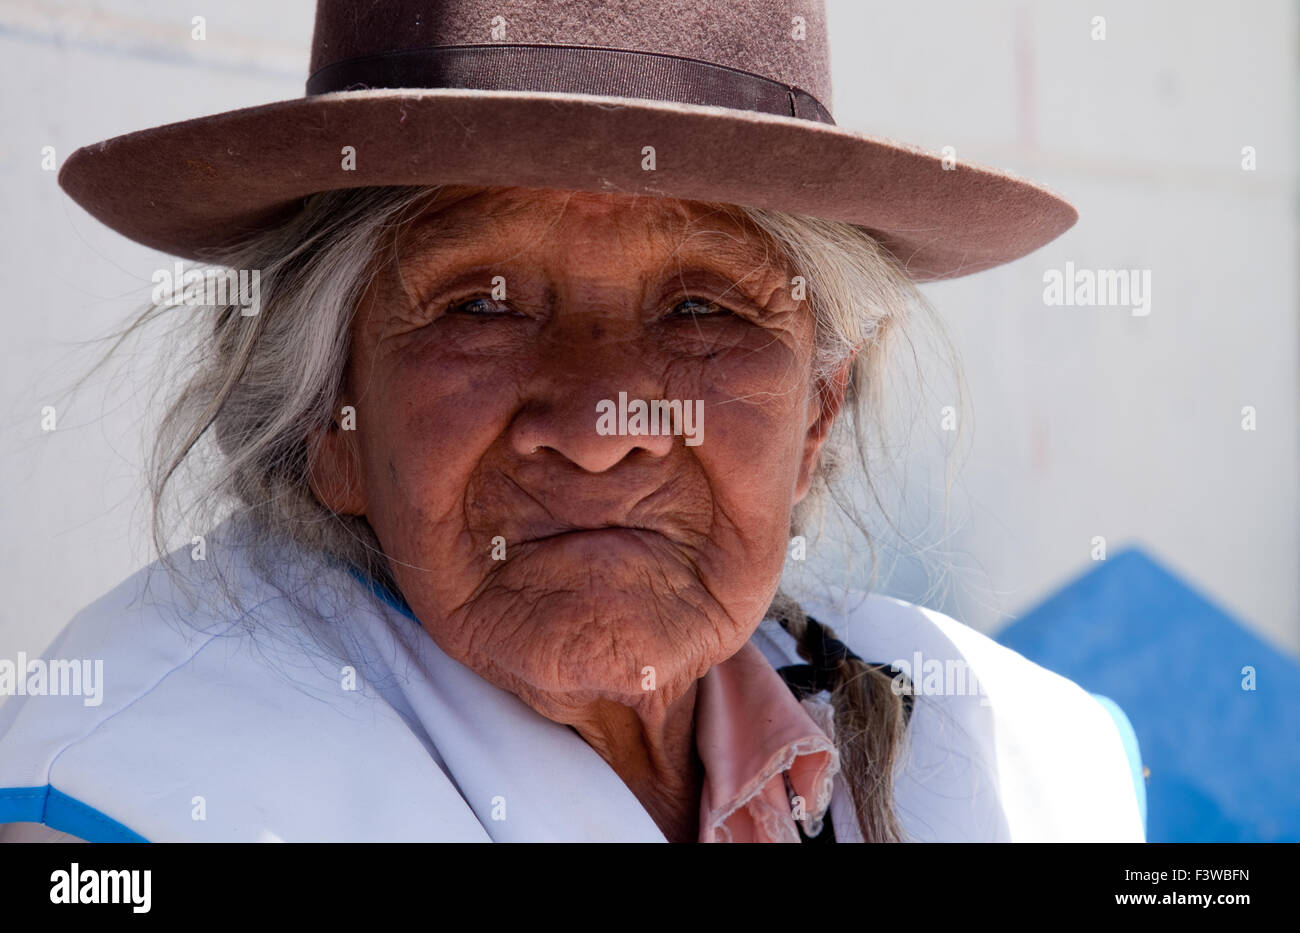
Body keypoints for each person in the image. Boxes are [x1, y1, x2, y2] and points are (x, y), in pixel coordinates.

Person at [0, 0, 1144, 842]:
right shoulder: (139, 795)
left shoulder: (1028, 768)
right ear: (328, 419)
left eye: (701, 308)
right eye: (482, 306)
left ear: (814, 419)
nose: (602, 425)